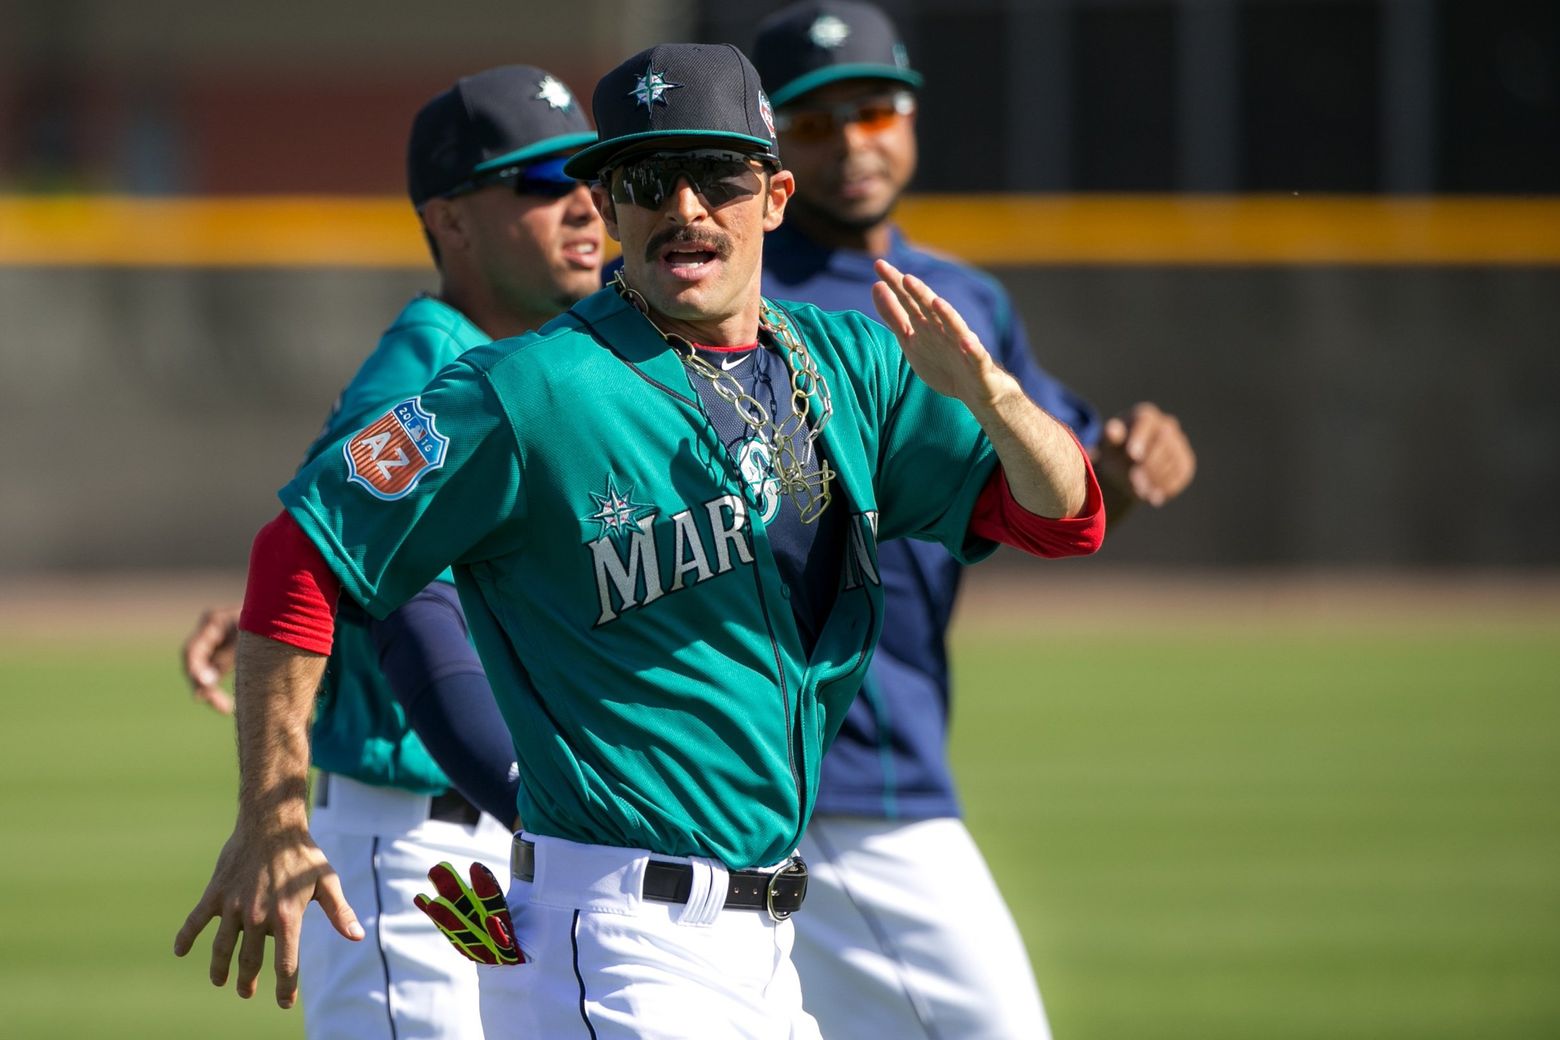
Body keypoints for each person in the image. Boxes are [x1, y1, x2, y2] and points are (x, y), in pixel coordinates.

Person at [173, 41, 1105, 1039]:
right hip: (620, 939)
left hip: (759, 944)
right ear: (614, 206)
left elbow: (1060, 516)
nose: (688, 207)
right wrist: (273, 811)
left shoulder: (851, 362)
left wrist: (996, 398)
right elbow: (306, 549)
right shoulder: (524, 388)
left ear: (776, 196)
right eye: (649, 179)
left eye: (720, 175)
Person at [751, 4, 1198, 1037]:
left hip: (882, 741)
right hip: (836, 769)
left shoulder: (964, 300)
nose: (852, 142)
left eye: (873, 110)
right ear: (771, 148)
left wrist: (1126, 468)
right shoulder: (736, 296)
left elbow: (1060, 500)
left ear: (910, 113)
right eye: (815, 123)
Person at [176, 64, 602, 1039]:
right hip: (417, 851)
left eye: (589, 172)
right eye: (540, 182)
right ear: (451, 221)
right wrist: (274, 811)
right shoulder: (427, 363)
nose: (582, 202)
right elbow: (312, 551)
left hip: (503, 844)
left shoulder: (553, 355)